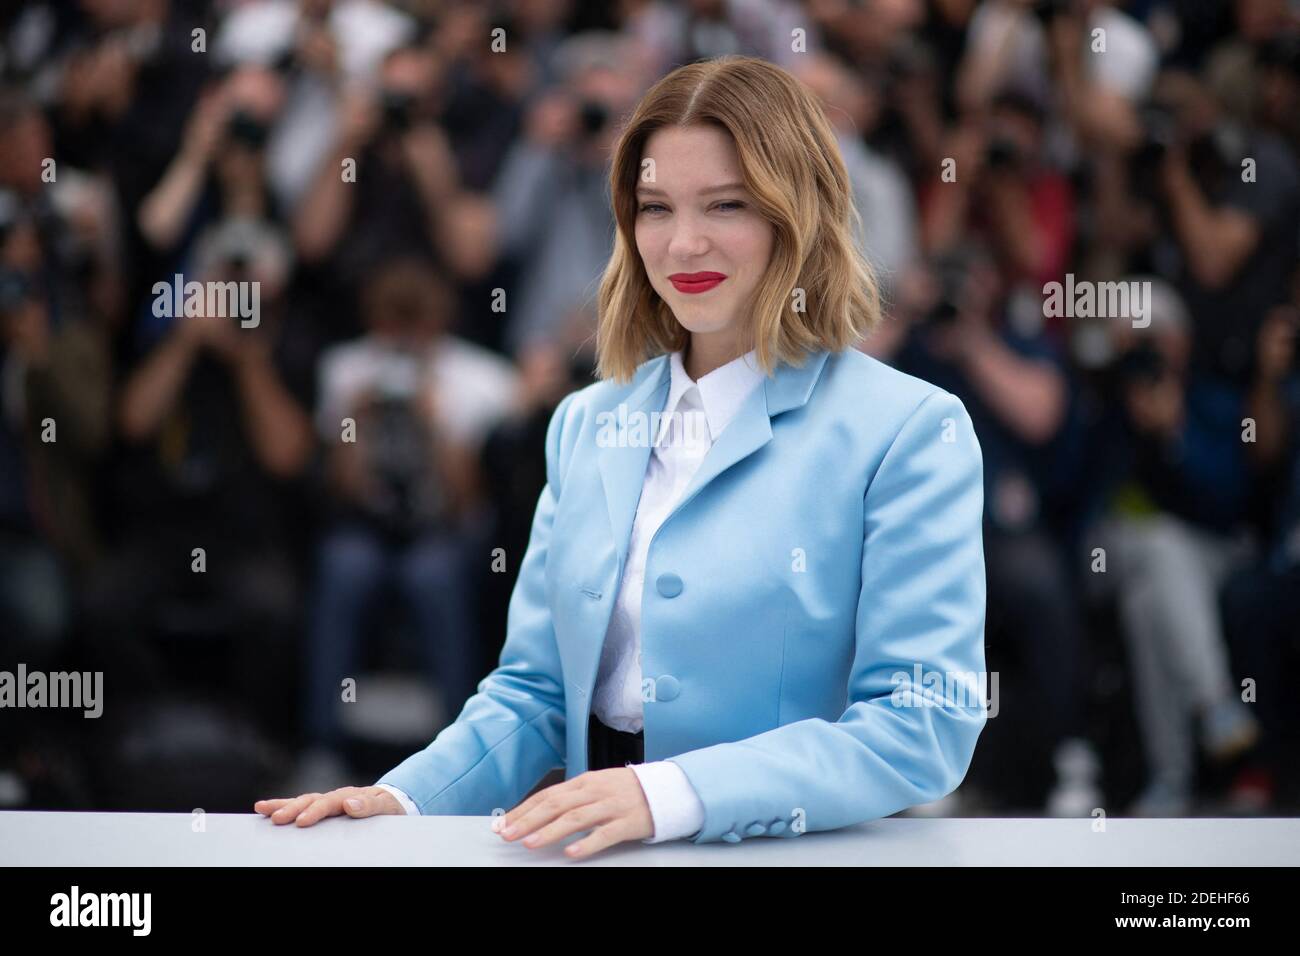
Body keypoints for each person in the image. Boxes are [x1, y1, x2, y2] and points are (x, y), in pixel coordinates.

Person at [256, 55, 988, 857]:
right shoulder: (584, 422)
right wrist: (403, 798)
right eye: (654, 208)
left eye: (727, 204)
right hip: (594, 854)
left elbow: (922, 724)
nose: (683, 243)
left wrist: (668, 793)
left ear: (799, 211)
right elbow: (536, 693)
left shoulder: (910, 428)